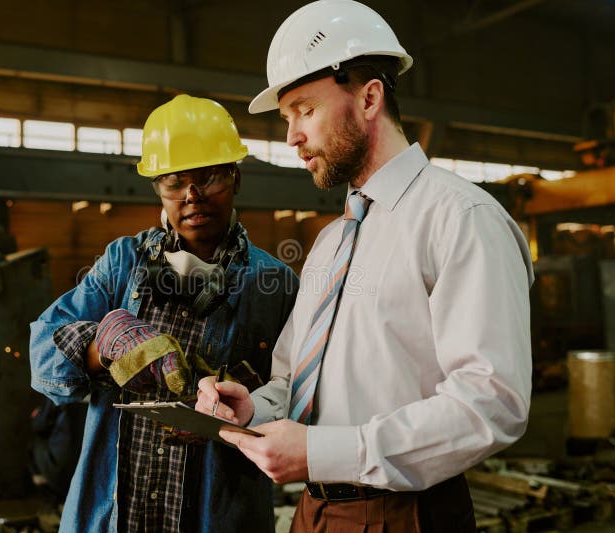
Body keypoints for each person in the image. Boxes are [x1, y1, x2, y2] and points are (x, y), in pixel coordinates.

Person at [196, 1, 534, 531]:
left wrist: (326, 451)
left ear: (370, 96)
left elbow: (491, 403)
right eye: (287, 117)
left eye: (305, 109)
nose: (291, 137)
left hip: (406, 513)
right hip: (315, 511)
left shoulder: (460, 218)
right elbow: (293, 377)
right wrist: (254, 409)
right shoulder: (333, 242)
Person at [29, 94, 298, 532]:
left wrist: (237, 413)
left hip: (217, 513)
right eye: (173, 181)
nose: (192, 196)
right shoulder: (122, 263)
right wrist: (102, 344)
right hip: (113, 516)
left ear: (235, 177)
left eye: (208, 177)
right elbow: (43, 353)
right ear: (157, 187)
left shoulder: (275, 285)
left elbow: (301, 396)